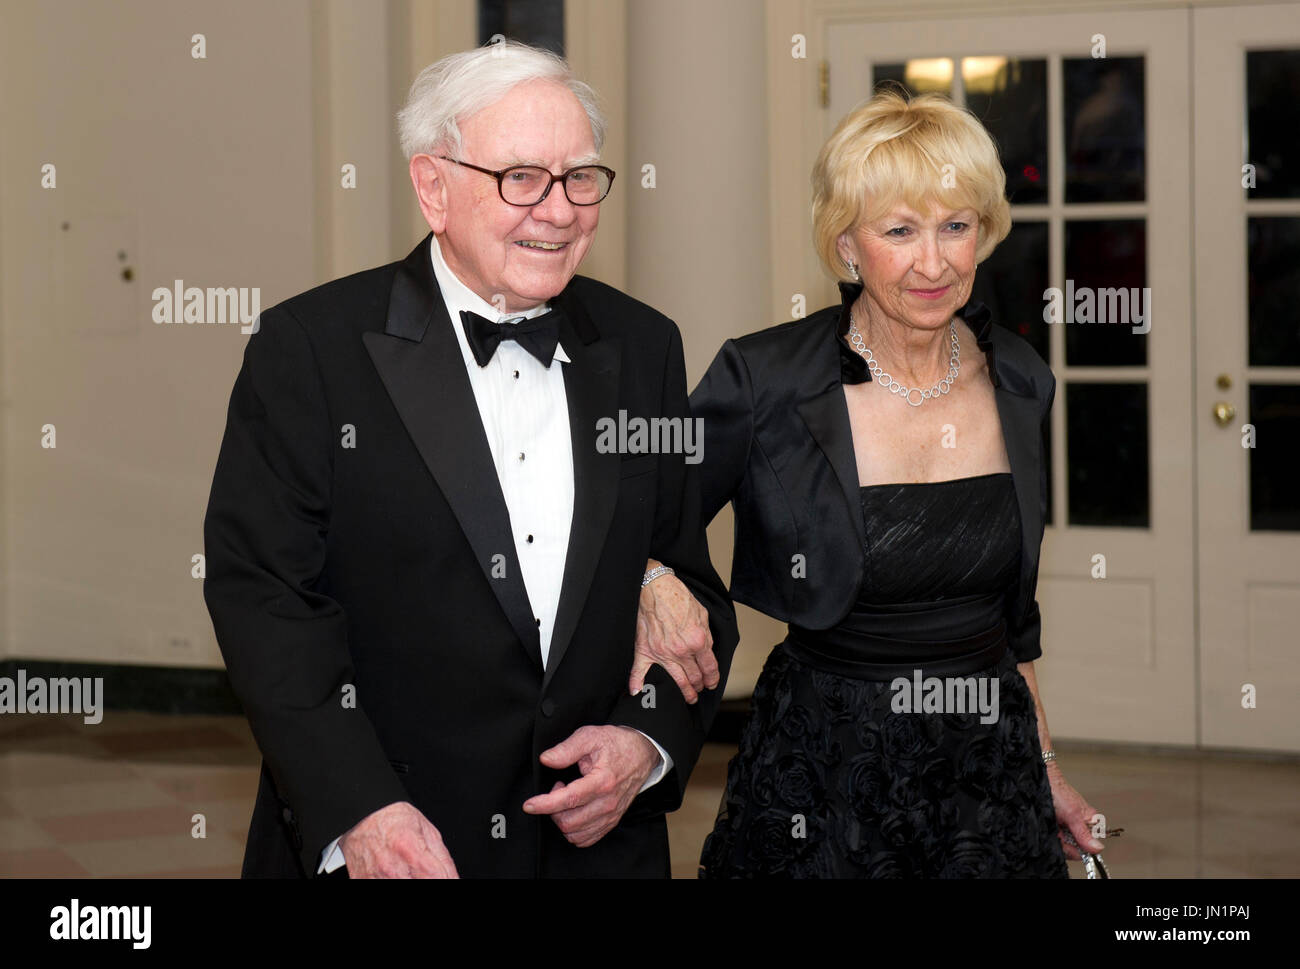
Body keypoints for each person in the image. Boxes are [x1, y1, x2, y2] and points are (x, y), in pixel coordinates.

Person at [203, 41, 737, 878]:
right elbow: (265, 601)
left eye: (579, 177)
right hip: (395, 844)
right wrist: (359, 809)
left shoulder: (643, 347)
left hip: (595, 849)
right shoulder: (311, 349)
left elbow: (689, 587)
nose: (558, 210)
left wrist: (646, 743)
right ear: (433, 187)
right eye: (521, 177)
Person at [636, 90, 1104, 877]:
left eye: (956, 226)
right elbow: (634, 507)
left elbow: (1013, 622)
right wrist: (652, 577)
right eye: (900, 231)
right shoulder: (767, 379)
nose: (935, 262)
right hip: (826, 772)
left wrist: (1046, 767)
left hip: (988, 775)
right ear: (846, 244)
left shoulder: (1022, 379)